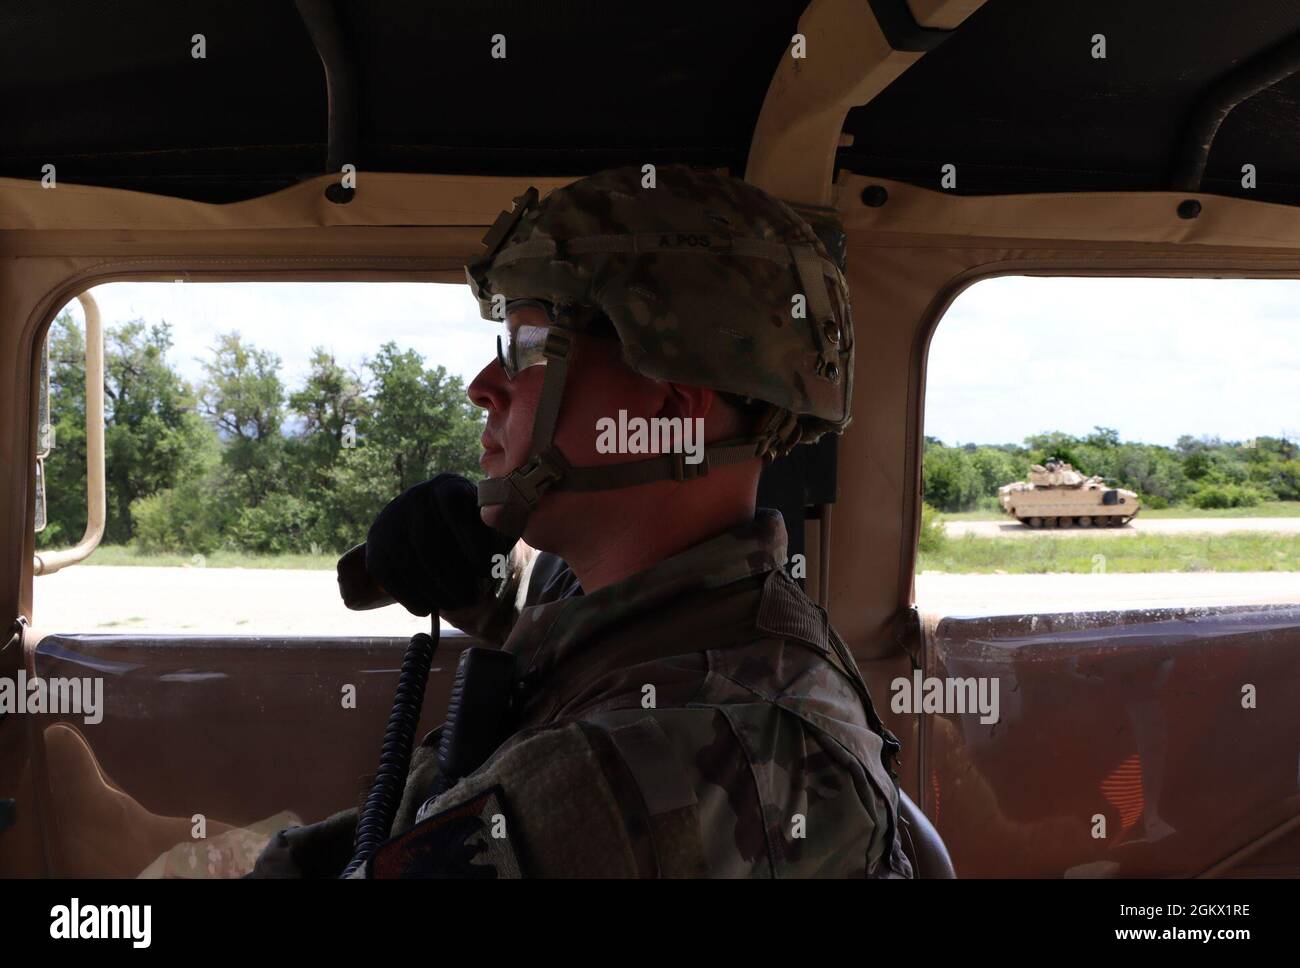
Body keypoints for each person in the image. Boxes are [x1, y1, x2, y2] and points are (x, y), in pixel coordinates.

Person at [250, 164, 912, 878]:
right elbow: (579, 627)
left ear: (667, 412)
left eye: (529, 347)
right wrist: (466, 569)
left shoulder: (642, 761)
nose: (483, 387)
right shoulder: (675, 606)